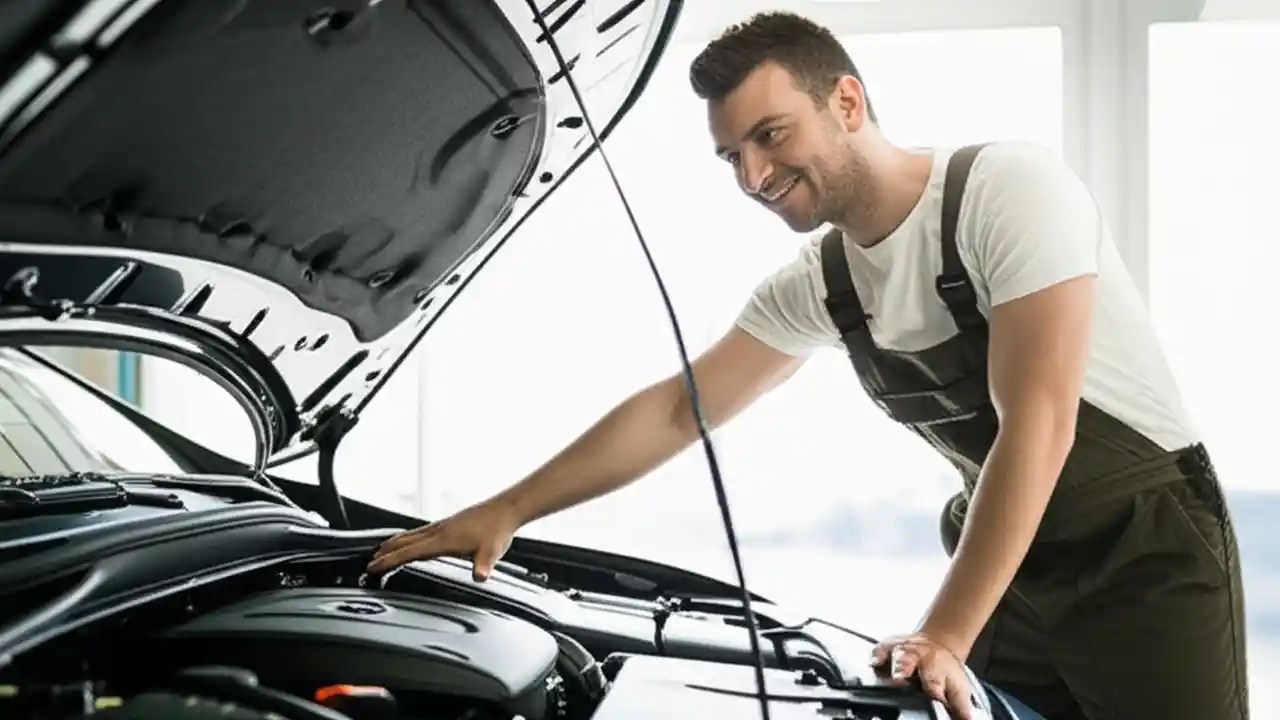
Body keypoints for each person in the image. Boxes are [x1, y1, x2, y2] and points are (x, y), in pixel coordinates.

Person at [368, 11, 1249, 720]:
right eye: (730, 155)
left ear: (849, 103)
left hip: (1143, 545)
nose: (752, 174)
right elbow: (680, 410)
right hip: (1009, 556)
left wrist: (941, 633)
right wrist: (507, 509)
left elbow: (1041, 424)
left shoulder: (1005, 192)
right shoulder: (823, 284)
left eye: (770, 134)